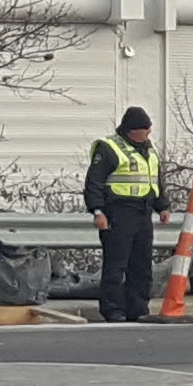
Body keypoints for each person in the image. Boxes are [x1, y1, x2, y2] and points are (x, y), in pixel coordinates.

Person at [84, 107, 163, 324]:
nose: (148, 132)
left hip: (143, 212)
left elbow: (154, 180)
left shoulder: (149, 149)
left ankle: (138, 308)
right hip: (118, 212)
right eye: (144, 129)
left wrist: (162, 206)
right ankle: (113, 309)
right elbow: (94, 183)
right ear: (131, 130)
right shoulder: (109, 148)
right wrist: (97, 211)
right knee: (116, 265)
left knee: (142, 264)